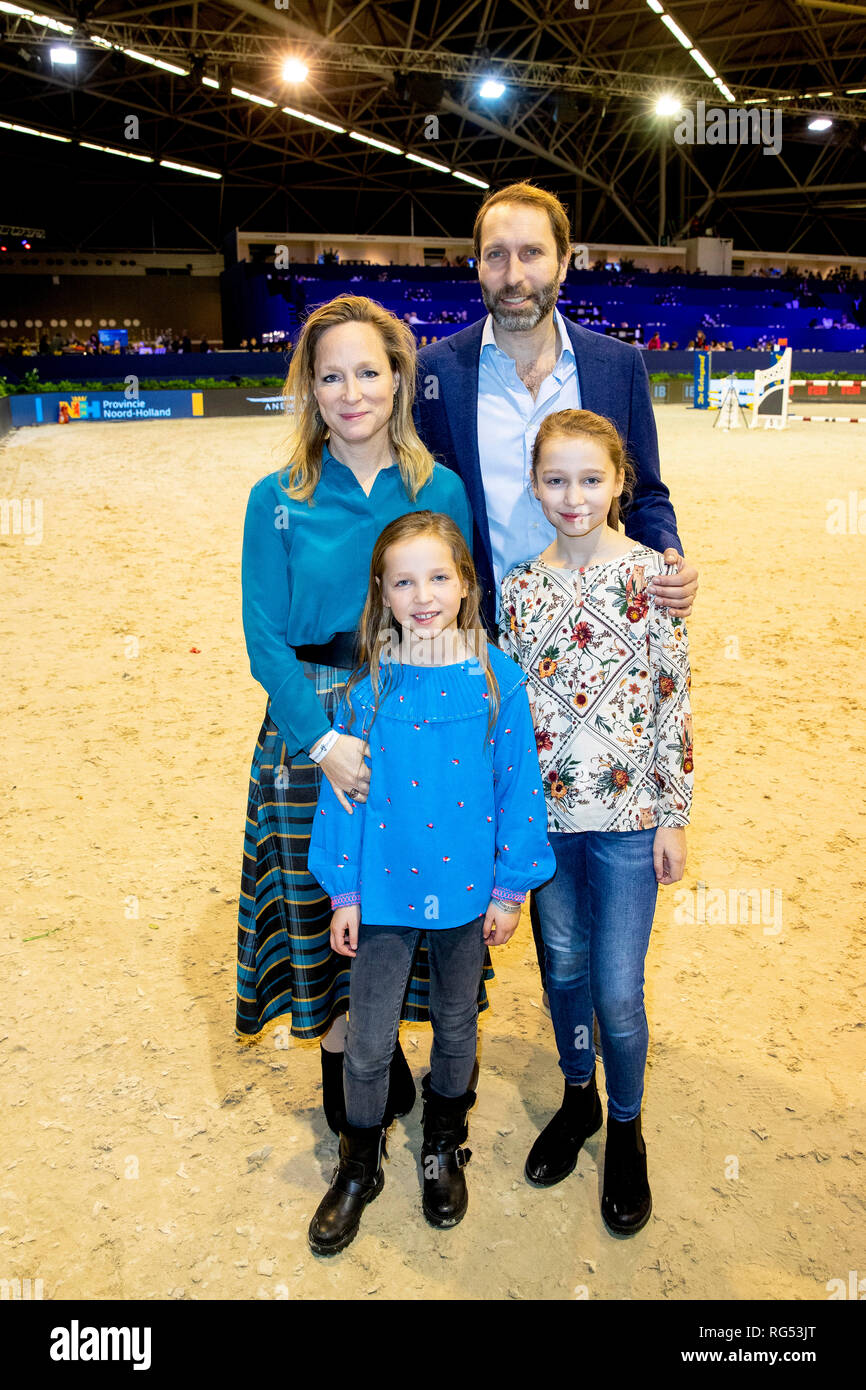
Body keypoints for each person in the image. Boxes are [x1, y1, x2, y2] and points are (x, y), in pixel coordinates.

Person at [414, 180, 697, 1009]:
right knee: (483, 834)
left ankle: (584, 1032)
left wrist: (672, 556)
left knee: (565, 837)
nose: (513, 272)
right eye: (495, 255)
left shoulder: (617, 366)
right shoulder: (436, 374)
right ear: (476, 267)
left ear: (563, 263)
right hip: (481, 649)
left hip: (590, 651)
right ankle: (461, 1024)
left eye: (531, 252)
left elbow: (645, 492)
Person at [237, 295, 483, 1136]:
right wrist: (325, 737)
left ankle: (386, 1045)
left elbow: (454, 610)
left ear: (398, 380)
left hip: (412, 714)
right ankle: (344, 1056)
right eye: (330, 375)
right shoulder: (276, 497)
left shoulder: (439, 487)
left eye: (368, 372)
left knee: (404, 893)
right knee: (327, 909)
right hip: (310, 725)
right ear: (308, 387)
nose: (351, 392)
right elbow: (264, 638)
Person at [306, 511, 556, 1254]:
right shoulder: (369, 688)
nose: (423, 595)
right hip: (381, 894)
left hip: (466, 896)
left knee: (455, 1024)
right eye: (404, 580)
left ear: (465, 584)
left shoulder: (494, 678)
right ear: (381, 592)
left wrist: (511, 890)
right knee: (370, 1038)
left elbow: (520, 790)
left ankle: (444, 1142)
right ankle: (360, 1161)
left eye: (439, 577)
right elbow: (343, 797)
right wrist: (344, 893)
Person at [498, 409, 693, 1235]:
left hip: (627, 822)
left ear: (619, 482)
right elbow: (507, 721)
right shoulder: (516, 586)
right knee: (563, 971)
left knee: (618, 987)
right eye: (554, 479)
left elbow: (673, 698)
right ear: (534, 485)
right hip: (548, 828)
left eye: (590, 479)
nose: (572, 496)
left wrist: (674, 815)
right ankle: (579, 1096)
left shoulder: (653, 577)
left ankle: (626, 1126)